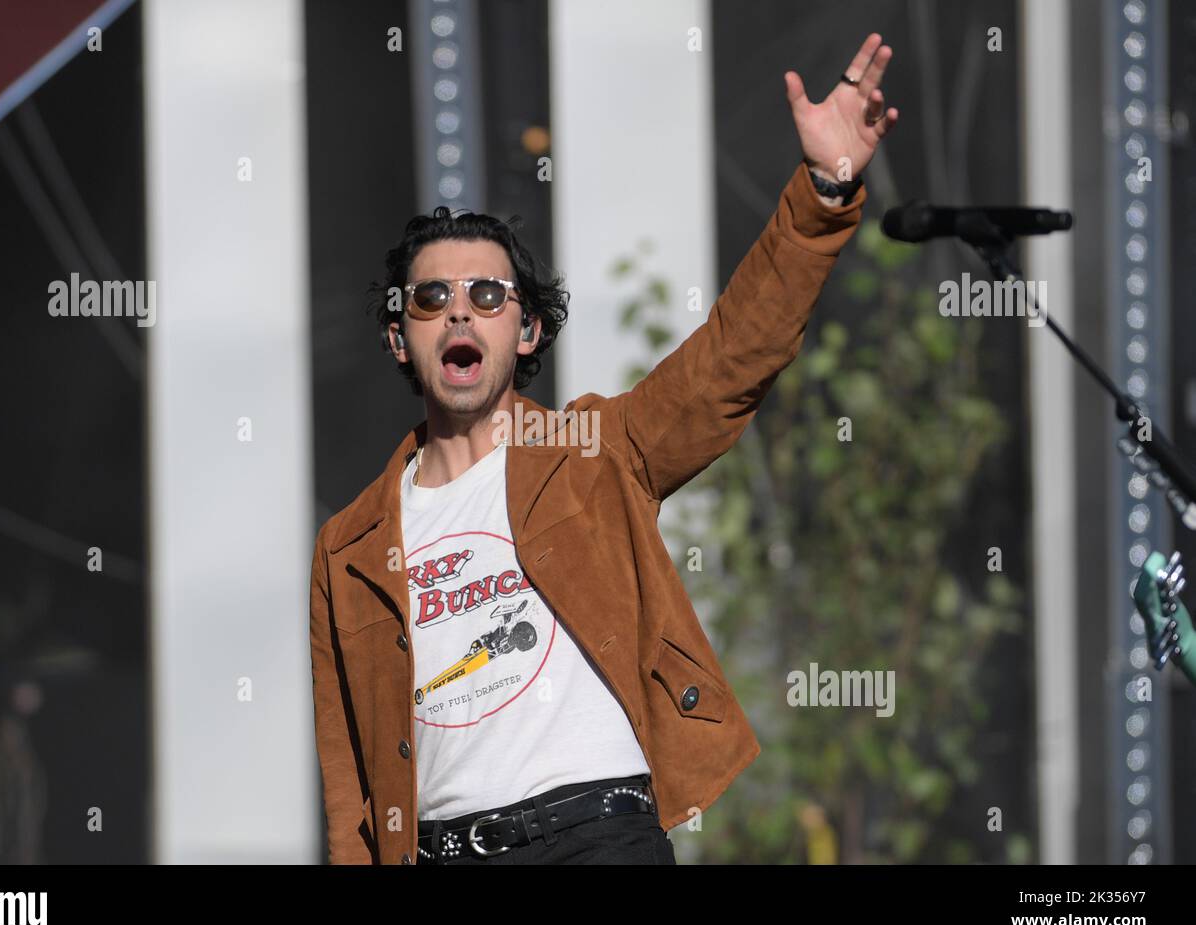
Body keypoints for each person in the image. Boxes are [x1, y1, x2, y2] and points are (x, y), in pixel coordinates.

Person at [309, 33, 899, 865]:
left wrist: (823, 192)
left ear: (528, 328)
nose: (460, 311)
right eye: (431, 297)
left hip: (596, 834)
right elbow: (351, 793)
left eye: (488, 294)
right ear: (400, 338)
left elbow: (734, 357)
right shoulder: (350, 547)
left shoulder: (592, 451)